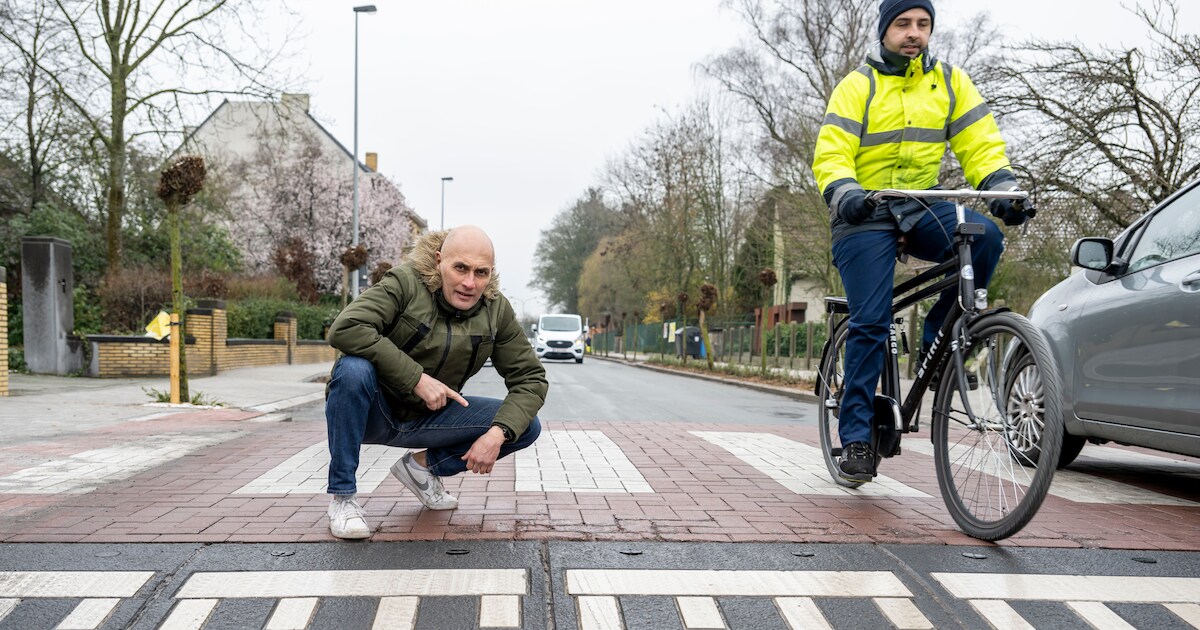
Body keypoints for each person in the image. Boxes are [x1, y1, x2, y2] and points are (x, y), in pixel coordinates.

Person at [812, 0, 1031, 483]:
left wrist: (1003, 190)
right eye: (903, 24)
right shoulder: (858, 86)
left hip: (920, 205)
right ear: (885, 30)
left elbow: (981, 145)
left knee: (987, 236)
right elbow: (832, 153)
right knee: (870, 319)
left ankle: (941, 337)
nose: (914, 33)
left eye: (923, 24)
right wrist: (845, 192)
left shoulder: (950, 83)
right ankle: (856, 437)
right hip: (864, 212)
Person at [323, 225, 548, 539]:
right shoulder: (405, 283)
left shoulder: (496, 310)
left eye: (481, 273)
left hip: (432, 418)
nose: (470, 283)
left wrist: (498, 433)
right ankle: (343, 499)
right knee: (353, 368)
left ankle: (420, 468)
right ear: (440, 260)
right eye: (460, 268)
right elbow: (346, 328)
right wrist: (415, 379)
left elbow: (531, 378)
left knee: (524, 425)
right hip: (374, 411)